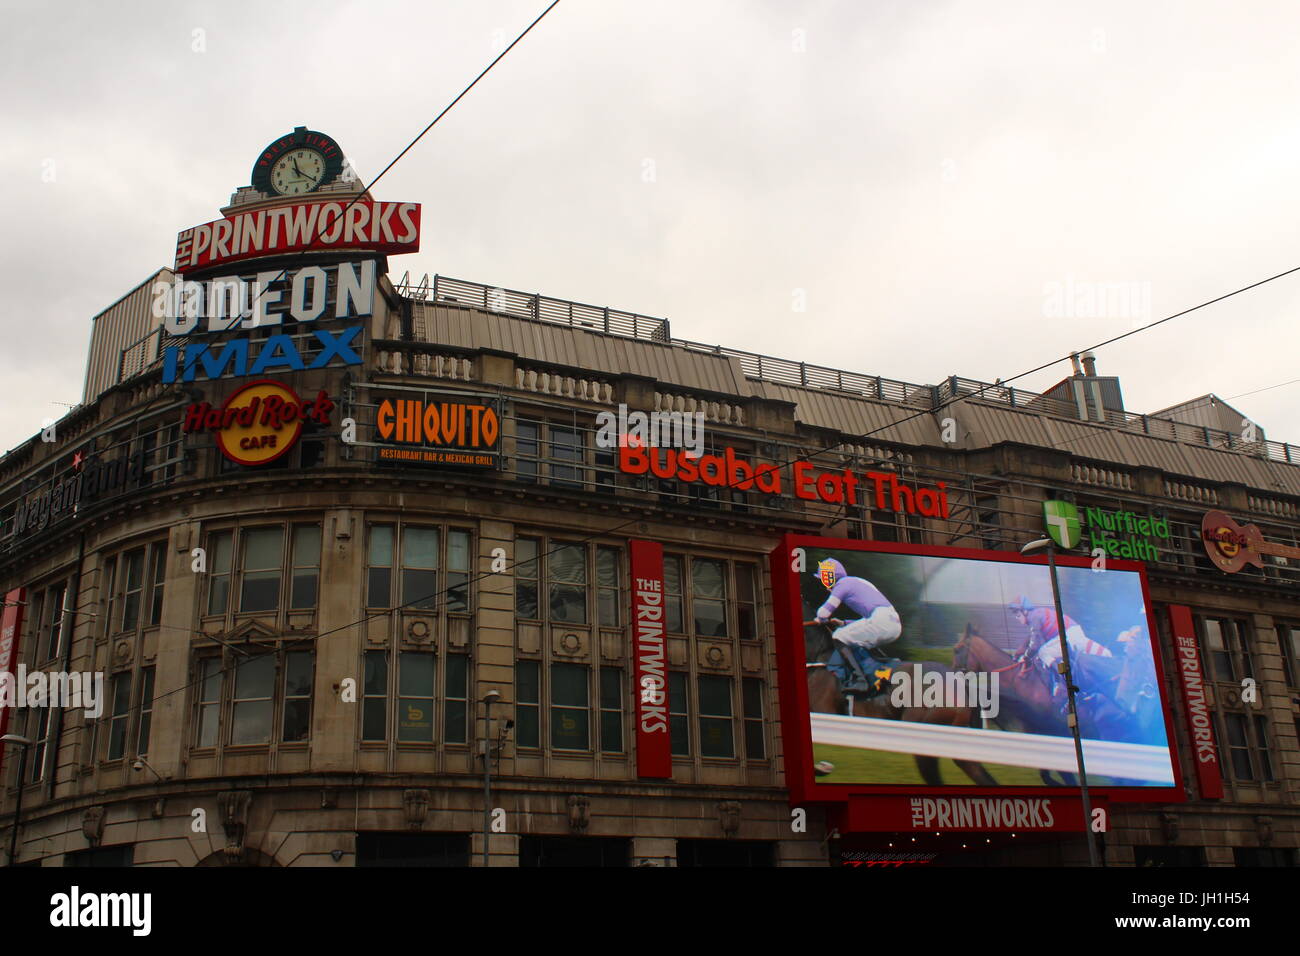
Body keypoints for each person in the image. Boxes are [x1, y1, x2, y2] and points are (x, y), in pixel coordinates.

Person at [813, 558, 902, 694]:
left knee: (839, 636)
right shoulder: (858, 581)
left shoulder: (842, 585)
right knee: (857, 640)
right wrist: (843, 623)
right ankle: (886, 665)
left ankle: (860, 681)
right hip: (893, 623)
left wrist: (820, 619)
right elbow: (867, 619)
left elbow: (824, 612)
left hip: (881, 621)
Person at [1008, 596, 1112, 708]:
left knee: (1043, 653)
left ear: (1025, 610)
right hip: (1072, 633)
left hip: (1069, 635)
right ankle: (1064, 679)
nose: (1017, 618)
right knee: (1049, 654)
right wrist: (1021, 652)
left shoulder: (1034, 617)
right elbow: (1030, 640)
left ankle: (1063, 679)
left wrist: (1026, 657)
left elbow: (1035, 644)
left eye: (1017, 614)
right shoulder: (1037, 614)